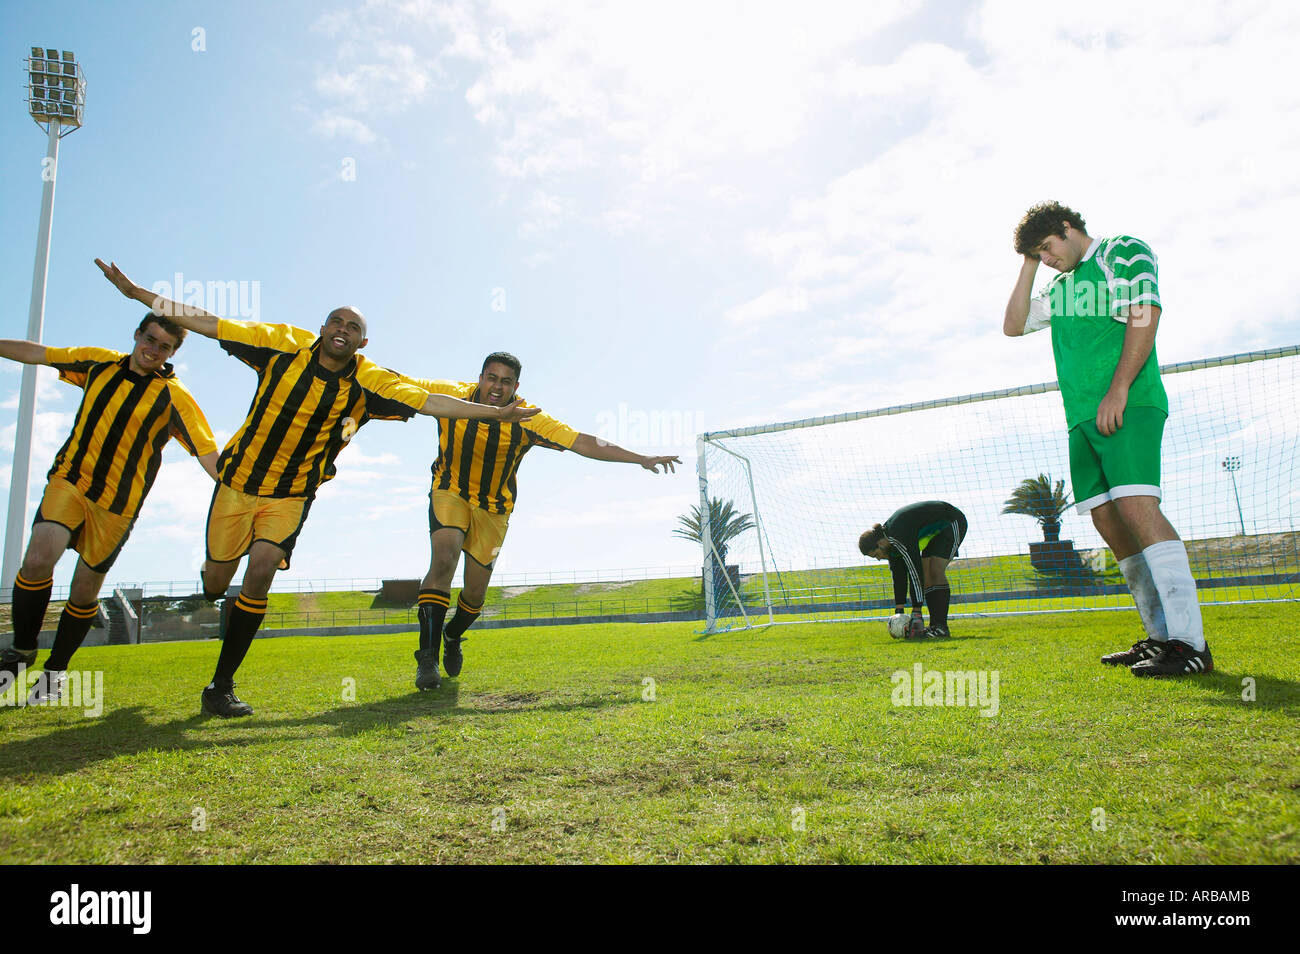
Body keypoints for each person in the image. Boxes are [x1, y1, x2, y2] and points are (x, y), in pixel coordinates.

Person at [95, 259, 541, 716]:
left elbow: (429, 403)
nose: (343, 330)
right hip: (238, 482)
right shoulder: (281, 345)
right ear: (323, 328)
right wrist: (138, 295)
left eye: (354, 327)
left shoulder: (368, 382)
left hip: (291, 495)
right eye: (337, 322)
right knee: (215, 583)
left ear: (362, 342)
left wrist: (494, 414)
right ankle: (214, 588)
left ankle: (220, 686)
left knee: (263, 568)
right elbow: (210, 323)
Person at [1003, 201, 1211, 677]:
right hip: (1081, 418)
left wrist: (1118, 389)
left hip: (1128, 403)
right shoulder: (1058, 289)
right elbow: (1013, 325)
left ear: (1068, 228)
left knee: (1139, 508)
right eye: (1040, 254)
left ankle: (1191, 643)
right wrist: (1030, 263)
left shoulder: (1121, 251)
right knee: (1108, 522)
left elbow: (1145, 312)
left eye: (1047, 247)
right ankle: (1160, 639)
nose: (1048, 258)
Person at [397, 353, 681, 689]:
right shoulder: (451, 395)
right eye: (491, 377)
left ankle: (452, 634)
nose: (496, 386)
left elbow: (581, 441)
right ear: (480, 377)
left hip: (495, 510)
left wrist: (640, 458)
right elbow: (395, 383)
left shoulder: (528, 417)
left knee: (474, 595)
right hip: (449, 491)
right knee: (444, 559)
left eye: (505, 381)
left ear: (515, 386)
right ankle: (426, 660)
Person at [0, 308, 218, 703]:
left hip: (118, 506)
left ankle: (54, 673)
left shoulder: (175, 398)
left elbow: (207, 454)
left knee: (84, 592)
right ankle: (22, 650)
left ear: (171, 354)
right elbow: (40, 353)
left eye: (164, 347)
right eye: (150, 339)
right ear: (137, 335)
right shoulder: (98, 363)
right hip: (70, 481)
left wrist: (253, 489)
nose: (154, 350)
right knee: (37, 559)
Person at [858, 500, 966, 639]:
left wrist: (916, 612)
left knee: (935, 570)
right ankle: (935, 627)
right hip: (935, 533)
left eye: (876, 555)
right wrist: (899, 611)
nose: (879, 559)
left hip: (951, 521)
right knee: (927, 574)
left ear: (879, 544)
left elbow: (914, 571)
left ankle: (941, 628)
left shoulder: (898, 536)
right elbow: (898, 576)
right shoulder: (890, 543)